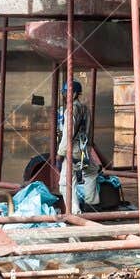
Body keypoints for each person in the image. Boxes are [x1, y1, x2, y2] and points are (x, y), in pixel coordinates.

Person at [56, 78, 97, 210]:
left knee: (65, 183)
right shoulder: (85, 109)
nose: (64, 96)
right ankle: (91, 203)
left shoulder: (71, 110)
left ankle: (74, 211)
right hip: (84, 150)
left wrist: (60, 154)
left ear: (73, 94)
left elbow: (68, 134)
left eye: (65, 93)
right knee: (91, 172)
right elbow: (89, 131)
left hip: (72, 150)